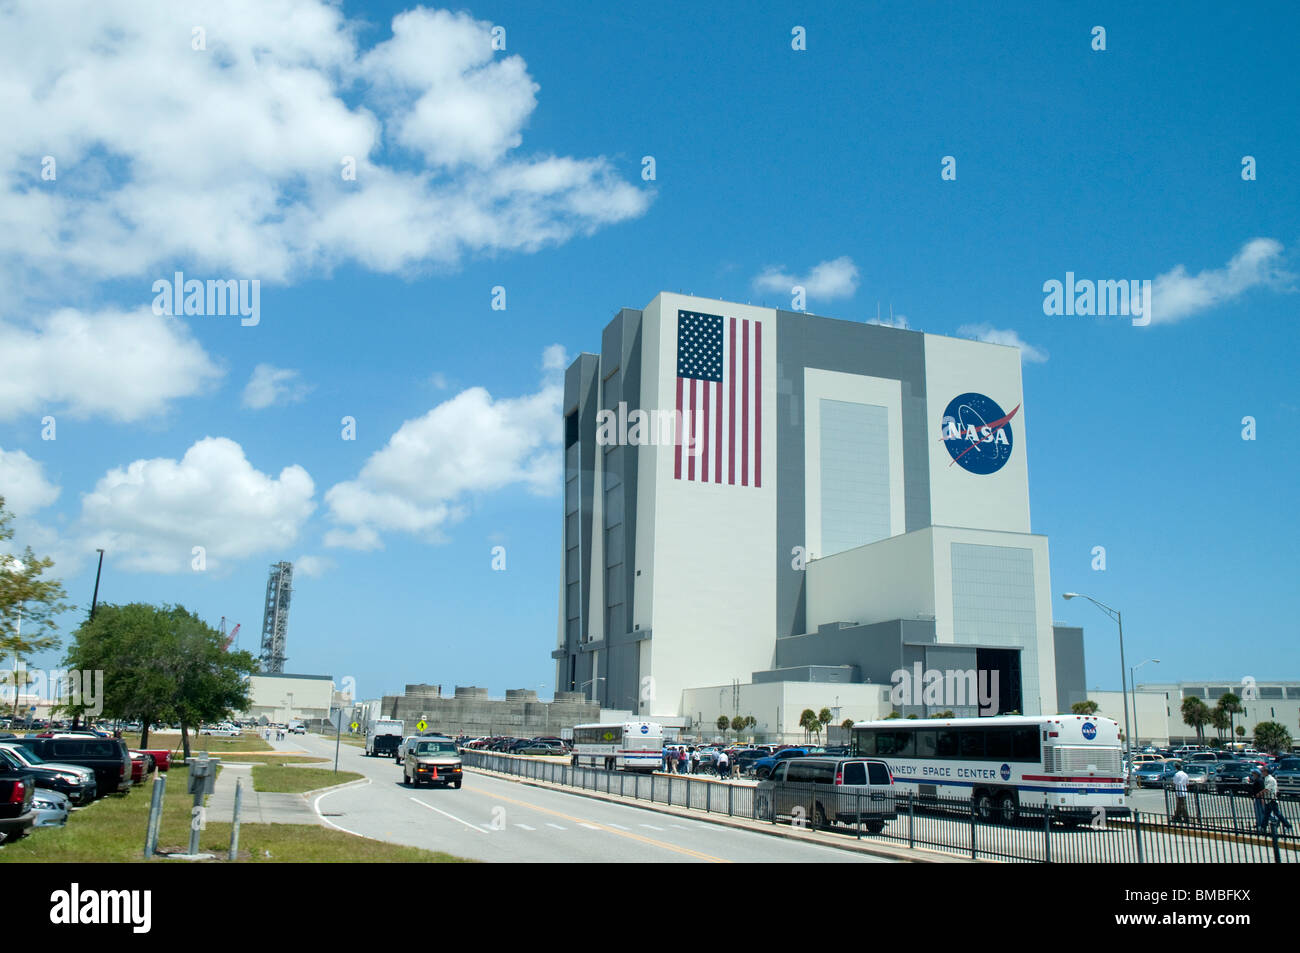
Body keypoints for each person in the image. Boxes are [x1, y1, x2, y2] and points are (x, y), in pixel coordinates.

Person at [1261, 766, 1293, 832]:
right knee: (1266, 814)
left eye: (1262, 771)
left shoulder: (1270, 779)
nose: (1262, 773)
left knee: (1277, 813)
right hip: (1268, 799)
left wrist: (1259, 794)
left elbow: (1267, 789)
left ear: (1266, 772)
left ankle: (1288, 826)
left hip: (1272, 800)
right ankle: (1263, 827)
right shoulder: (1266, 778)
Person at [1249, 767, 1267, 832]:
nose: (1252, 774)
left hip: (1260, 798)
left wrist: (1261, 797)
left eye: (1253, 773)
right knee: (1258, 812)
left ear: (1256, 774)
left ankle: (1261, 825)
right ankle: (1259, 824)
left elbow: (1262, 790)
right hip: (1257, 798)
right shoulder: (1256, 780)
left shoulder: (1260, 781)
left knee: (1261, 812)